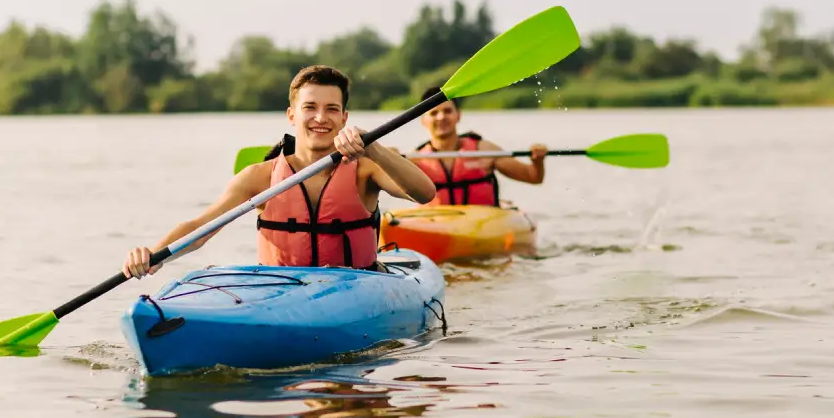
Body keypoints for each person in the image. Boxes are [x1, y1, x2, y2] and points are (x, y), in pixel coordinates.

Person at [121, 65, 436, 279]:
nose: (320, 118)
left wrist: (374, 147)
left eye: (332, 109)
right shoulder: (259, 177)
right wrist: (154, 255)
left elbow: (425, 193)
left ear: (344, 118)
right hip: (282, 290)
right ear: (291, 115)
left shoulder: (365, 169)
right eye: (309, 107)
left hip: (358, 287)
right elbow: (201, 227)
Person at [409, 86, 547, 206]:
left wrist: (537, 161)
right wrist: (388, 161)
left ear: (458, 115)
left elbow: (533, 177)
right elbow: (389, 185)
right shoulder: (414, 159)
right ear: (423, 120)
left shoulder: (483, 150)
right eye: (434, 113)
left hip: (483, 223)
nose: (441, 117)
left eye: (447, 111)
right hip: (434, 224)